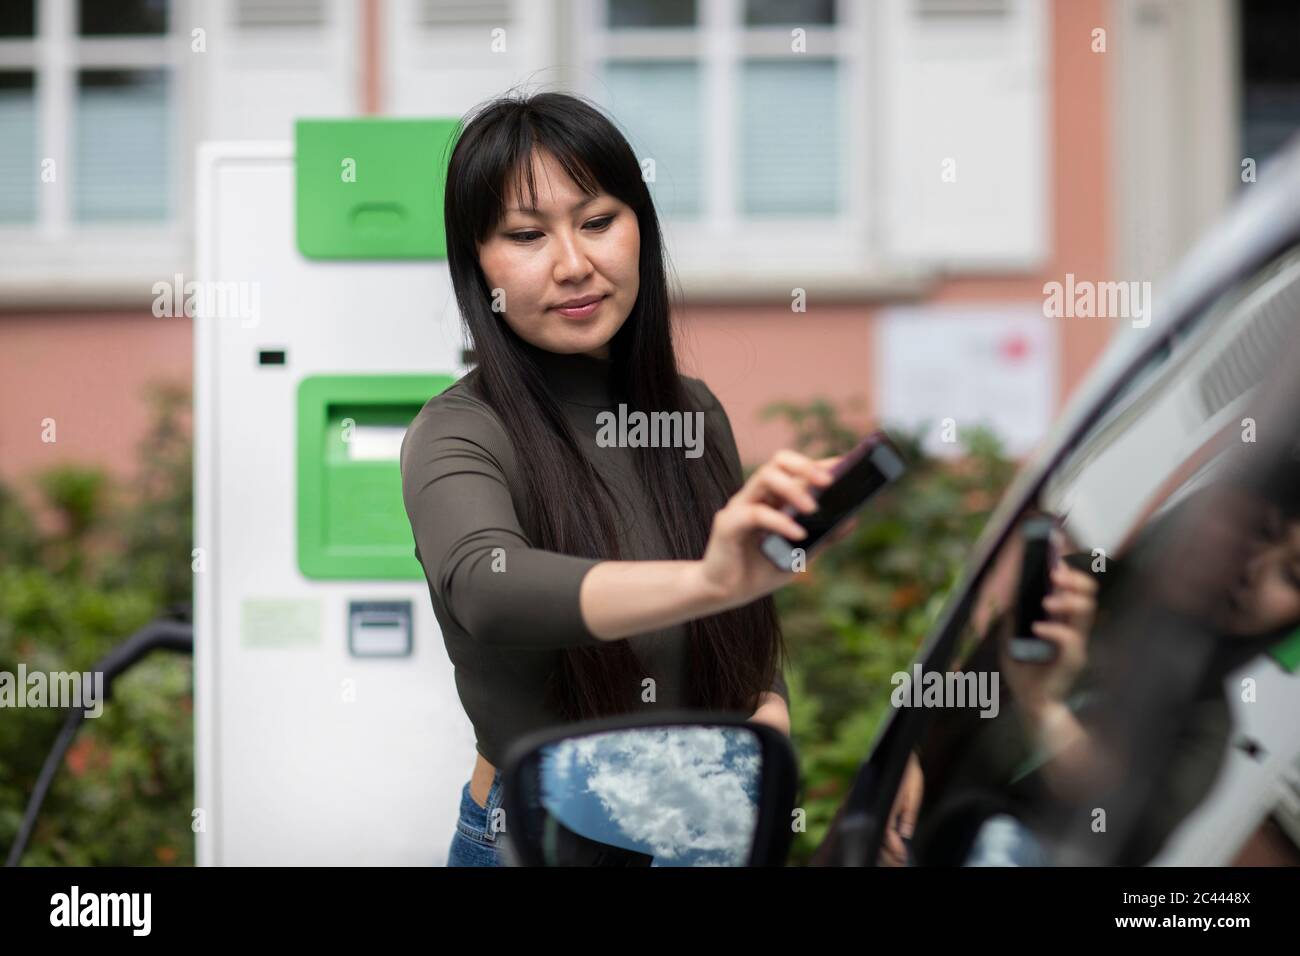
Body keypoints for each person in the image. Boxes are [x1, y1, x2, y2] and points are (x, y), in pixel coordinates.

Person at [400, 90, 851, 866]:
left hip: (704, 826)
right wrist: (707, 580)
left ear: (640, 226)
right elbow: (489, 587)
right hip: (540, 839)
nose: (574, 265)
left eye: (599, 221)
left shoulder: (694, 414)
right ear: (478, 261)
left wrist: (767, 710)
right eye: (526, 235)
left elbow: (738, 625)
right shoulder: (457, 431)